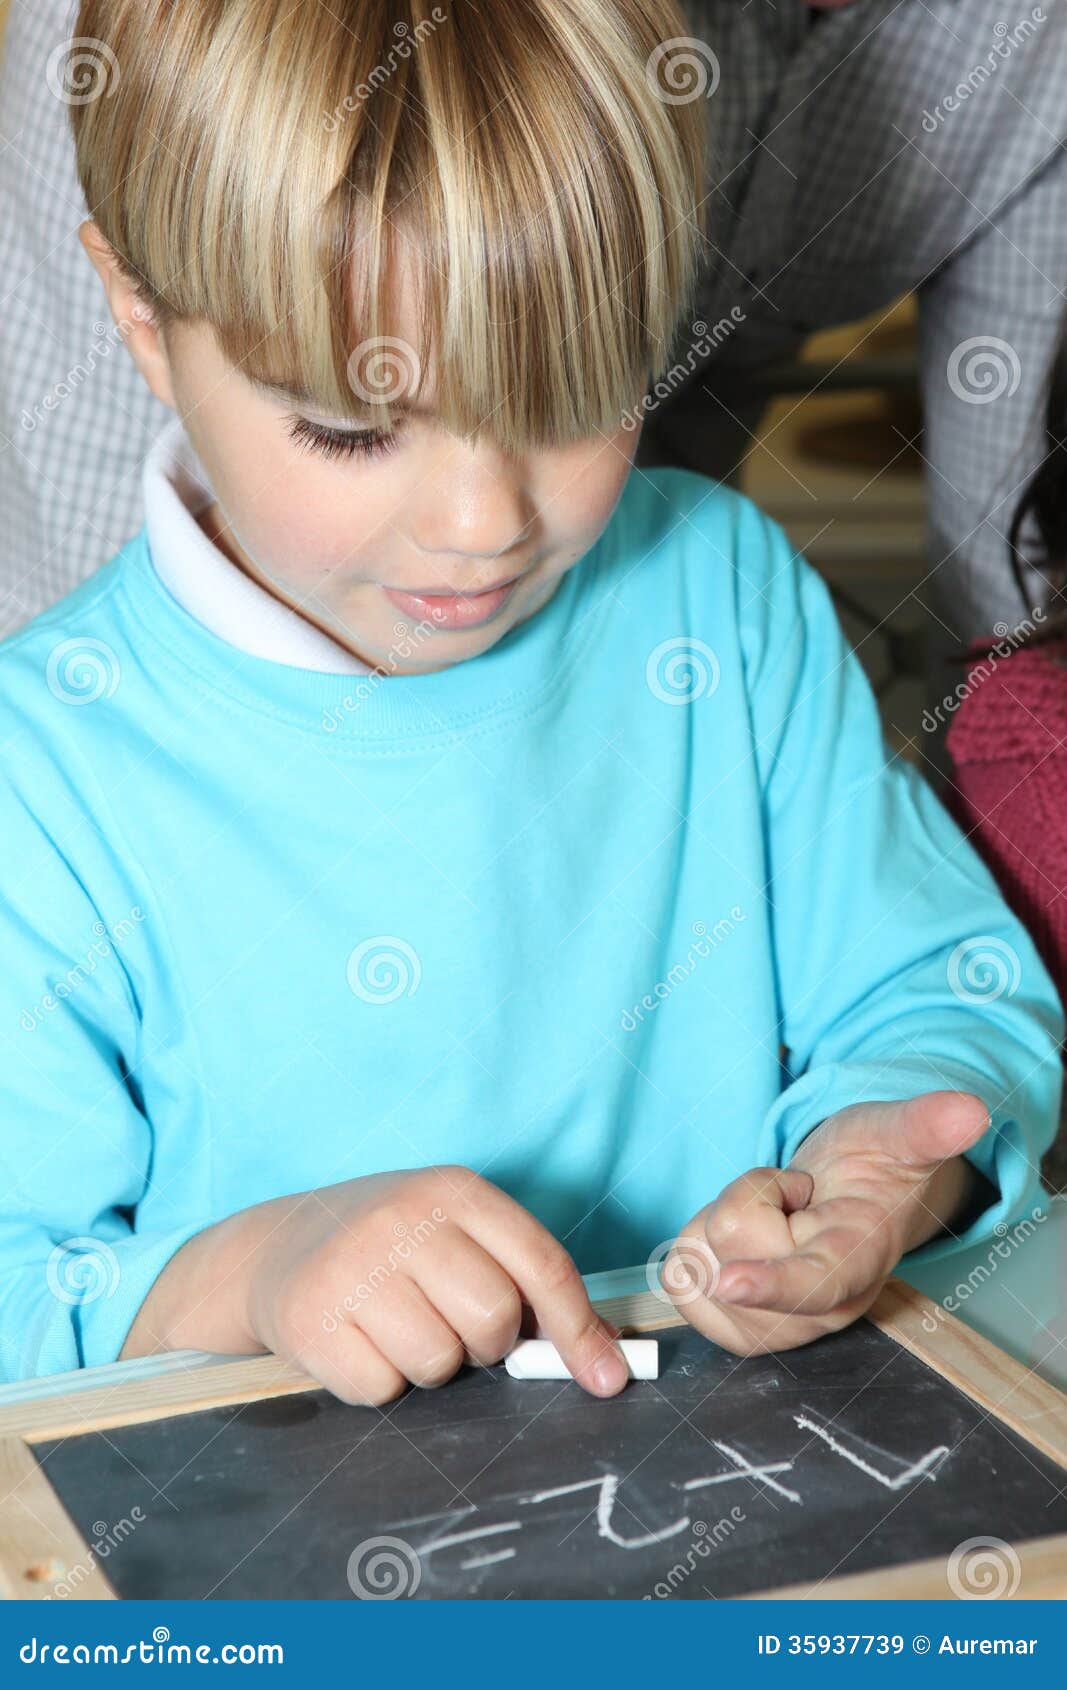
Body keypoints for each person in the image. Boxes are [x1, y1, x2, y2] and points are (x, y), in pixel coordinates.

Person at [0, 0, 1060, 1403]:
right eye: (353, 425)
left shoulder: (727, 600)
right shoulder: (45, 767)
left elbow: (940, 990)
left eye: (575, 393)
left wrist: (876, 1166)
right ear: (142, 318)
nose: (479, 521)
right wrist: (251, 1274)